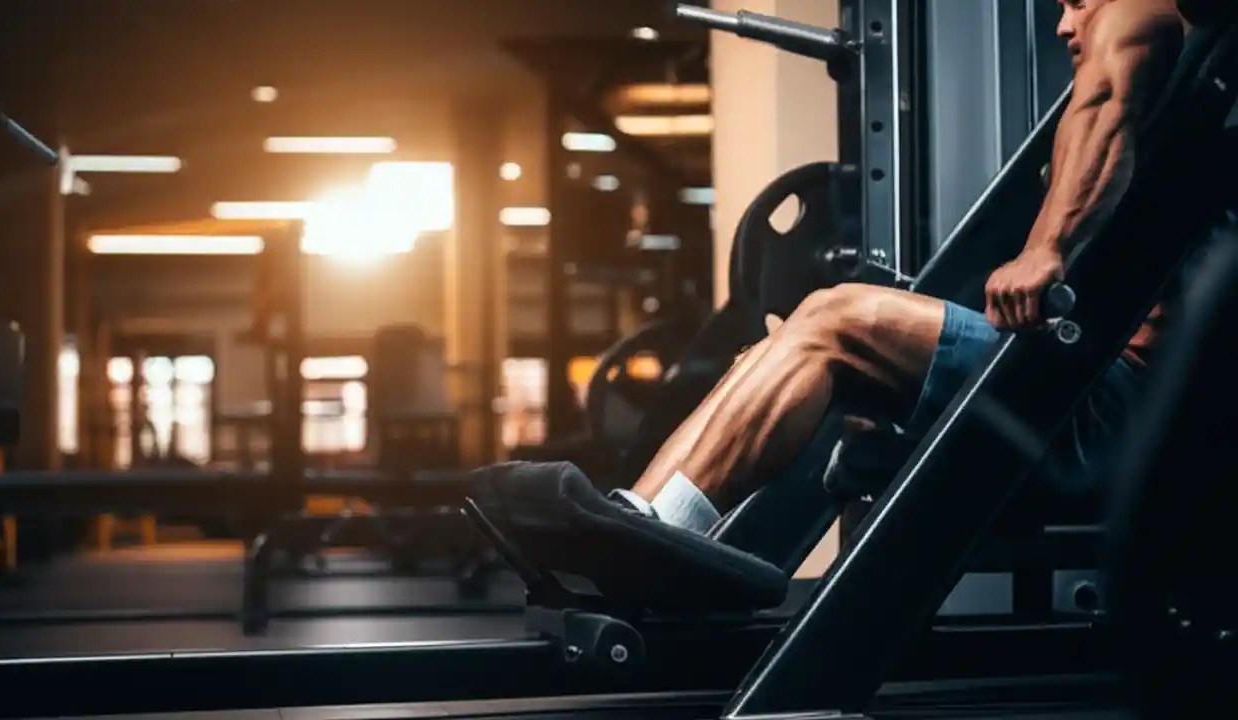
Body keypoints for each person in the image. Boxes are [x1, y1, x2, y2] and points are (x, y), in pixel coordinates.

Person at [498, 0, 1190, 534]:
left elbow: (1104, 102)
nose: (1067, 25)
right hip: (1086, 393)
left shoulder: (1152, 21)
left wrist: (1046, 251)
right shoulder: (1160, 85)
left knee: (835, 314)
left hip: (1117, 418)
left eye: (1077, 2)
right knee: (780, 347)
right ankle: (642, 520)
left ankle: (660, 529)